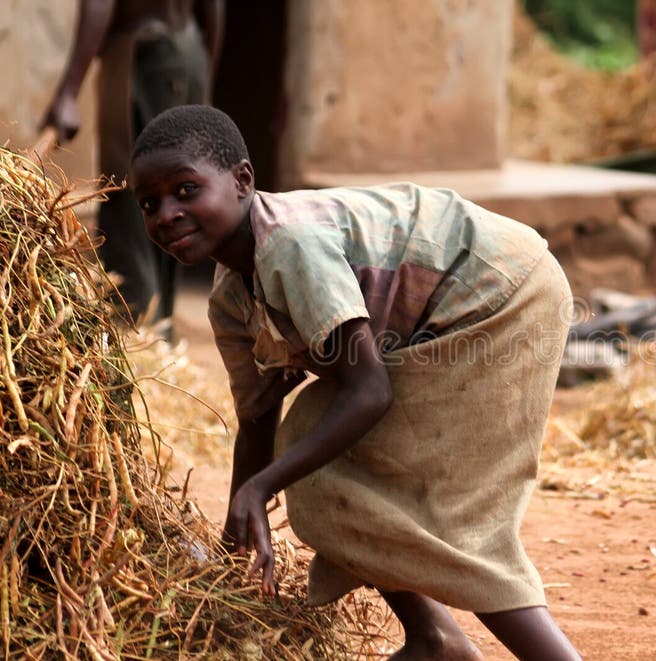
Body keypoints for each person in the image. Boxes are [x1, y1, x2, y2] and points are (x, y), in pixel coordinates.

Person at [129, 104, 583, 661]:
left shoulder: (290, 245)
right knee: (318, 451)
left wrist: (261, 488)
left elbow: (370, 391)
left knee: (453, 520)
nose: (167, 214)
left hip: (501, 296)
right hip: (442, 316)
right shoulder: (230, 298)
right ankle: (435, 639)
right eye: (149, 204)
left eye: (186, 190)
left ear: (243, 180)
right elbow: (257, 418)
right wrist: (230, 559)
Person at [41, 0, 224, 330]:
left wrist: (69, 91)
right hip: (188, 50)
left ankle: (134, 328)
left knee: (127, 191)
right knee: (175, 193)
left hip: (143, 56)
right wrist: (200, 72)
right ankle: (160, 325)